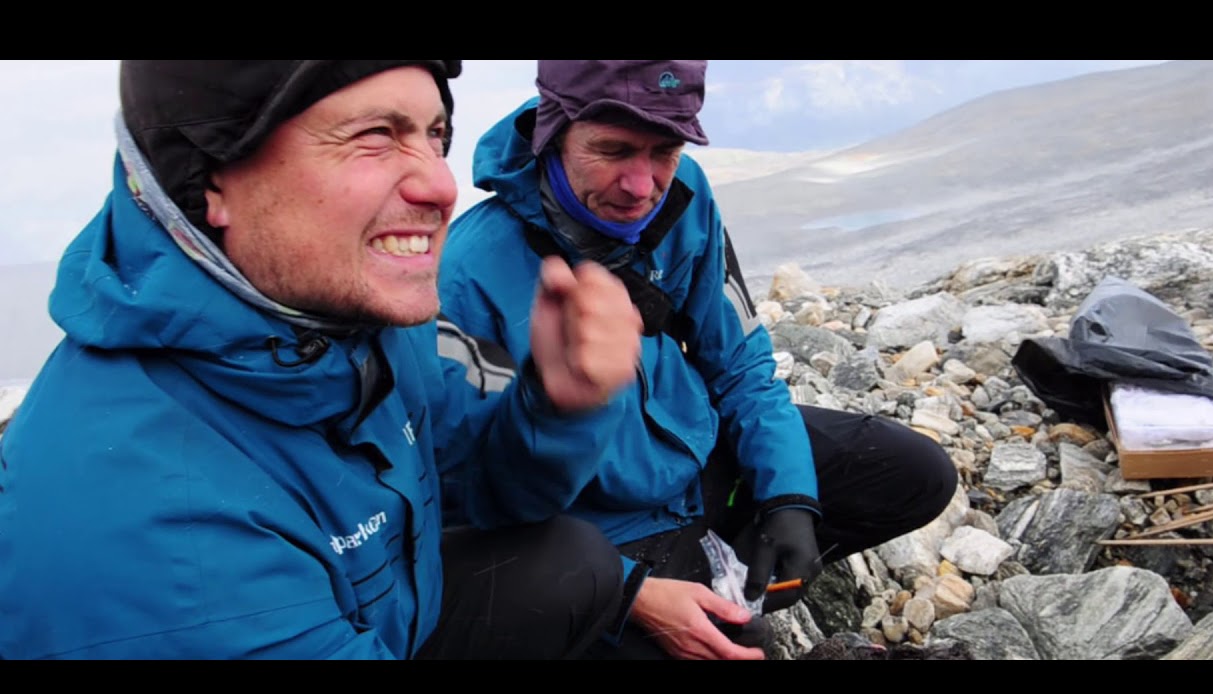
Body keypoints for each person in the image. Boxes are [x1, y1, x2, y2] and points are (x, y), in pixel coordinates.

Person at [0, 60, 649, 660]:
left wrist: (559, 406)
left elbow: (482, 486)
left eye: (434, 135)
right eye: (373, 136)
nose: (440, 184)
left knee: (571, 562)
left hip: (382, 618)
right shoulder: (158, 533)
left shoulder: (351, 331)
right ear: (210, 180)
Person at [438, 60, 960, 660]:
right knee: (737, 646)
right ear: (550, 133)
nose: (641, 185)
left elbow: (739, 361)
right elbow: (471, 512)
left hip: (700, 470)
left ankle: (734, 565)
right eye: (612, 150)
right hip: (594, 533)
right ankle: (681, 595)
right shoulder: (466, 276)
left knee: (914, 473)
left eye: (665, 150)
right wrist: (625, 591)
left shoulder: (684, 199)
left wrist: (789, 496)